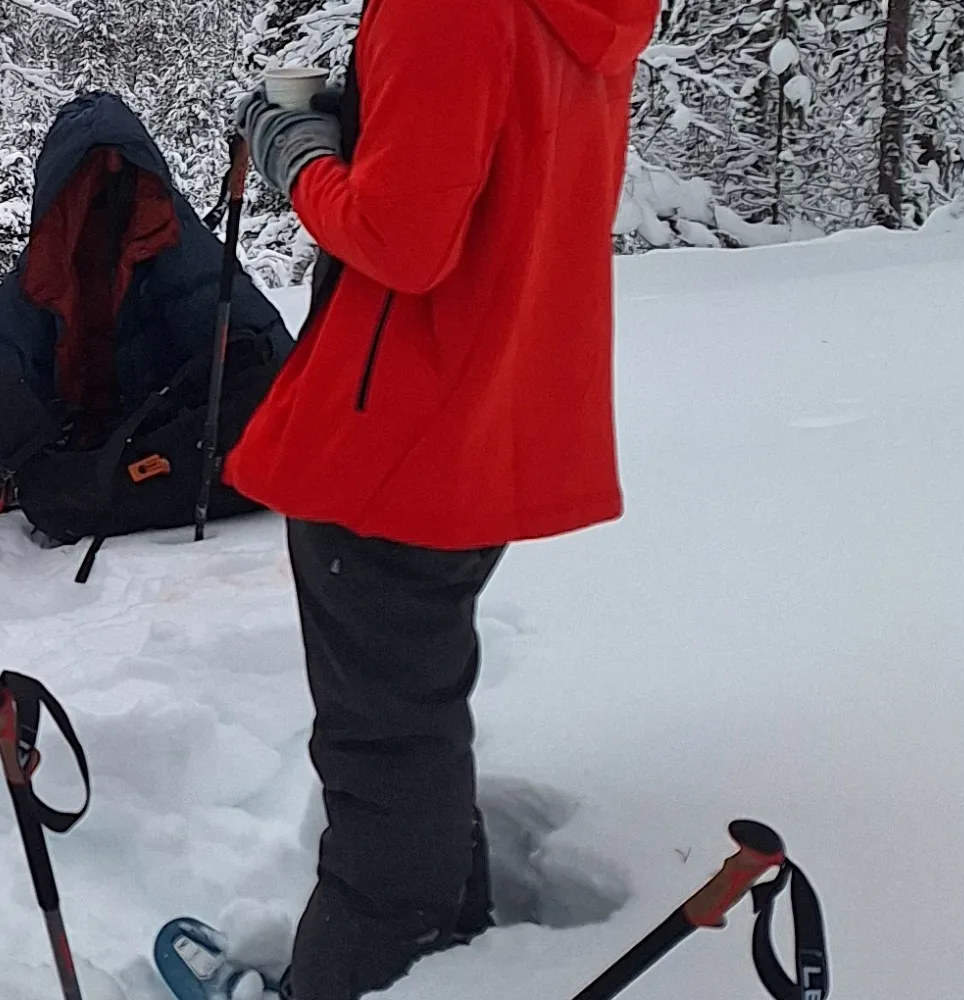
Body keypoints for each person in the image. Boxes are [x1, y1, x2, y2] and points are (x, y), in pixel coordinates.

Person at [226, 0, 657, 996]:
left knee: (381, 750)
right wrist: (366, 117)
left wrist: (299, 156)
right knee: (412, 725)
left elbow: (401, 238)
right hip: (491, 411)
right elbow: (513, 164)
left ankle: (355, 977)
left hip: (394, 436)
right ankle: (451, 964)